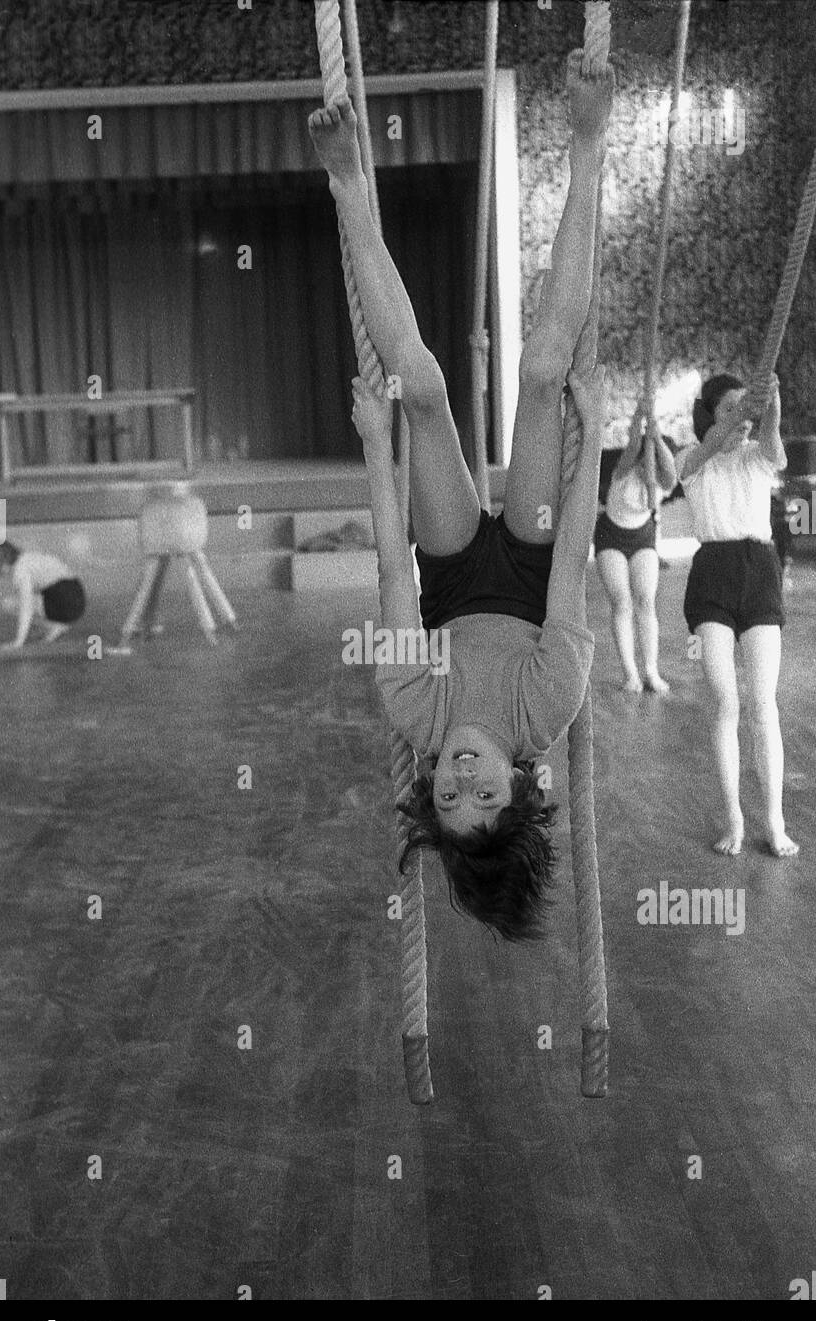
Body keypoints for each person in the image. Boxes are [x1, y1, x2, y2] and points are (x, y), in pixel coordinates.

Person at [309, 50, 615, 939]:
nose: (462, 774)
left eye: (449, 793)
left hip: (443, 569)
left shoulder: (413, 712)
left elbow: (393, 576)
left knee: (421, 389)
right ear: (524, 785)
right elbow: (568, 559)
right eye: (485, 790)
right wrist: (591, 439)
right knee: (547, 371)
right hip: (527, 561)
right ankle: (589, 144)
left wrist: (377, 446)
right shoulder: (547, 703)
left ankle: (348, 188)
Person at [676, 372, 798, 857]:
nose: (740, 417)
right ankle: (734, 819)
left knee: (762, 702)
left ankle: (774, 821)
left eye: (743, 408)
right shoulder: (693, 461)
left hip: (759, 570)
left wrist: (773, 405)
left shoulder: (757, 458)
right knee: (726, 700)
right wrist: (739, 411)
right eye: (728, 408)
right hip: (713, 574)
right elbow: (711, 444)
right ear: (709, 414)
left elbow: (773, 445)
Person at [594, 405, 676, 692]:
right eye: (644, 460)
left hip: (642, 539)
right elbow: (632, 447)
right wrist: (641, 419)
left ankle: (651, 671)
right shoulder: (623, 472)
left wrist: (659, 440)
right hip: (611, 537)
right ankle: (630, 673)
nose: (645, 466)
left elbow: (671, 472)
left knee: (645, 601)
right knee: (621, 601)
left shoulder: (662, 485)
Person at [0, 540, 86, 651]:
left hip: (67, 600)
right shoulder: (26, 558)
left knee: (8, 604)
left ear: (3, 562)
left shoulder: (20, 570)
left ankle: (56, 626)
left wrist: (18, 642)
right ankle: (55, 625)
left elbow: (26, 607)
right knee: (20, 599)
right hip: (76, 598)